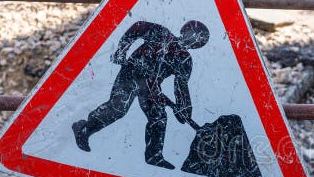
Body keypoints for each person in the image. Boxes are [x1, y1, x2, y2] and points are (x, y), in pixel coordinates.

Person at [72, 20, 210, 169]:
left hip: (151, 87)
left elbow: (181, 87)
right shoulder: (162, 34)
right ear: (184, 31)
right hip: (131, 75)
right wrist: (121, 51)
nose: (193, 41)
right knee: (118, 108)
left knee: (158, 117)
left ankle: (154, 157)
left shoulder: (184, 59)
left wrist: (184, 111)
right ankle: (84, 130)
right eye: (193, 36)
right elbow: (136, 28)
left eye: (198, 40)